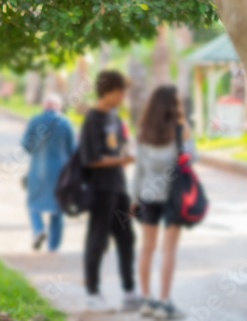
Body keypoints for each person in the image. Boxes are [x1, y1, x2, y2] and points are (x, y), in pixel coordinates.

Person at [131, 85, 194, 319]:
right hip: (174, 199)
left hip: (147, 197)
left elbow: (139, 169)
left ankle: (146, 300)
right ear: (172, 105)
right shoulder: (181, 130)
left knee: (146, 249)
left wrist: (133, 198)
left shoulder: (143, 132)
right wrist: (185, 130)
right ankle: (164, 302)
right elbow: (192, 158)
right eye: (177, 102)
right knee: (168, 250)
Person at [79, 69, 139, 311]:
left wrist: (125, 157)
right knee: (98, 240)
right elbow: (90, 159)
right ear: (111, 91)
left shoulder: (114, 117)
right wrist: (123, 161)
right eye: (122, 90)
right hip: (101, 189)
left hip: (118, 187)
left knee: (127, 237)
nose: (124, 95)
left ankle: (129, 291)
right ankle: (93, 293)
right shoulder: (92, 120)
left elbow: (118, 148)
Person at [21, 93, 75, 251]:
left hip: (37, 170)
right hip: (60, 171)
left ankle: (38, 230)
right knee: (57, 207)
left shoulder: (35, 120)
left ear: (44, 106)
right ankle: (53, 246)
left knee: (33, 203)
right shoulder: (65, 123)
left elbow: (26, 146)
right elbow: (72, 150)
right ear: (57, 106)